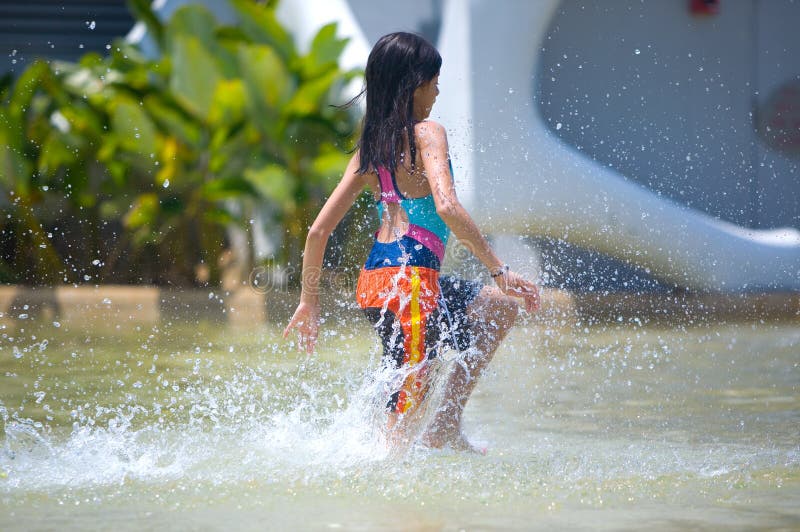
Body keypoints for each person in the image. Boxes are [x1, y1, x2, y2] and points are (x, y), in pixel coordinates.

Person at [283, 31, 540, 452]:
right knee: (400, 427)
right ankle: (394, 503)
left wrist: (308, 302)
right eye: (433, 81)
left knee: (495, 310)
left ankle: (444, 427)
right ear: (414, 84)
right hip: (411, 286)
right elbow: (448, 208)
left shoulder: (370, 149)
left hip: (376, 285)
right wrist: (499, 268)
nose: (438, 90)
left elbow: (318, 231)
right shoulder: (427, 133)